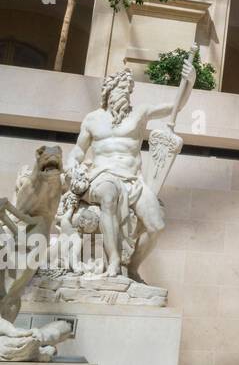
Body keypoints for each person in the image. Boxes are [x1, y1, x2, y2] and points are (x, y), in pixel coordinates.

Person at [64, 61, 194, 281]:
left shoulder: (139, 113)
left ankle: (132, 268)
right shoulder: (92, 119)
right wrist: (71, 164)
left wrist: (189, 81)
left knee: (157, 226)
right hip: (101, 176)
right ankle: (113, 259)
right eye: (122, 88)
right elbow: (78, 150)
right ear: (109, 90)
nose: (126, 93)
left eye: (129, 90)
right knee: (108, 194)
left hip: (133, 180)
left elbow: (175, 106)